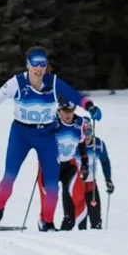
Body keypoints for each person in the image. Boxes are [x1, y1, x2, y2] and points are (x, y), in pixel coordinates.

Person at [0, 44, 102, 232]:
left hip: (46, 135)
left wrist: (91, 107)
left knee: (52, 184)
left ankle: (48, 222)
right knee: (10, 175)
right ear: (28, 64)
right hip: (21, 134)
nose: (39, 68)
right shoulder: (16, 83)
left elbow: (76, 97)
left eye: (43, 64)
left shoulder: (53, 83)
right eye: (35, 64)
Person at [52, 98, 88, 230]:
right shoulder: (53, 121)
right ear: (59, 110)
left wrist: (85, 164)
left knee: (77, 195)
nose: (68, 114)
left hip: (68, 164)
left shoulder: (79, 122)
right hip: (51, 165)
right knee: (50, 195)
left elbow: (82, 144)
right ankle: (45, 225)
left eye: (71, 111)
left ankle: (78, 227)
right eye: (65, 111)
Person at [79, 115, 113, 230]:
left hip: (91, 187)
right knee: (80, 221)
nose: (87, 136)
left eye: (89, 132)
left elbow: (105, 162)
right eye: (84, 132)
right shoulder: (74, 144)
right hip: (76, 187)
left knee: (96, 220)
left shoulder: (98, 144)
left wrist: (108, 180)